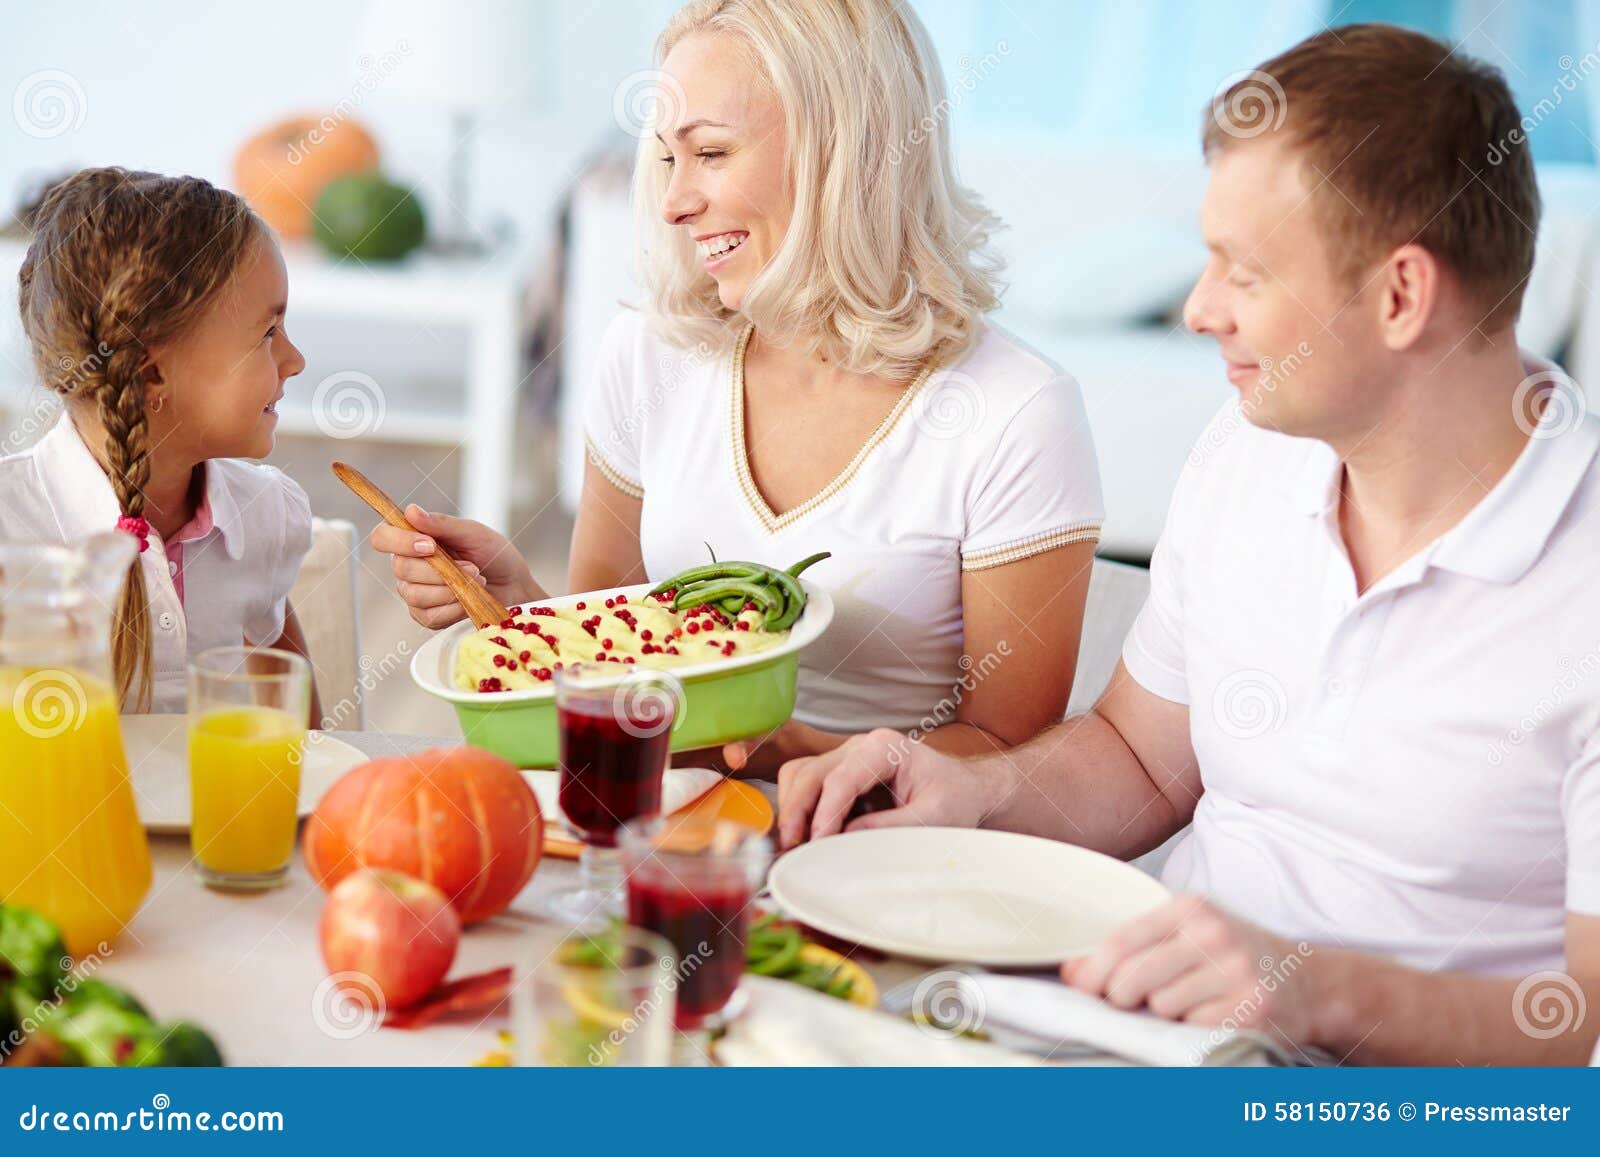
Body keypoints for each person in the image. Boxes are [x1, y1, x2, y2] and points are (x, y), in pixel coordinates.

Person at [778, 25, 1600, 1065]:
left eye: (1242, 272)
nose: (1201, 308)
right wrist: (976, 793)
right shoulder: (1250, 453)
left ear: (1399, 295)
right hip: (1153, 1041)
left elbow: (1585, 1016)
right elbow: (1137, 758)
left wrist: (1313, 991)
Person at [372, 0, 1104, 774]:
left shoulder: (1017, 412)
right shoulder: (649, 355)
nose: (673, 202)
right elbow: (611, 651)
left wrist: (795, 752)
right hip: (664, 819)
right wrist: (515, 604)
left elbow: (1007, 753)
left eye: (712, 153)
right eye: (666, 159)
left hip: (884, 852)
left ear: (844, 152)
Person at [1, 168, 319, 720]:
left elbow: (298, 726)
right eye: (268, 333)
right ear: (151, 371)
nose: (295, 360)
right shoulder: (10, 526)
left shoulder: (266, 514)